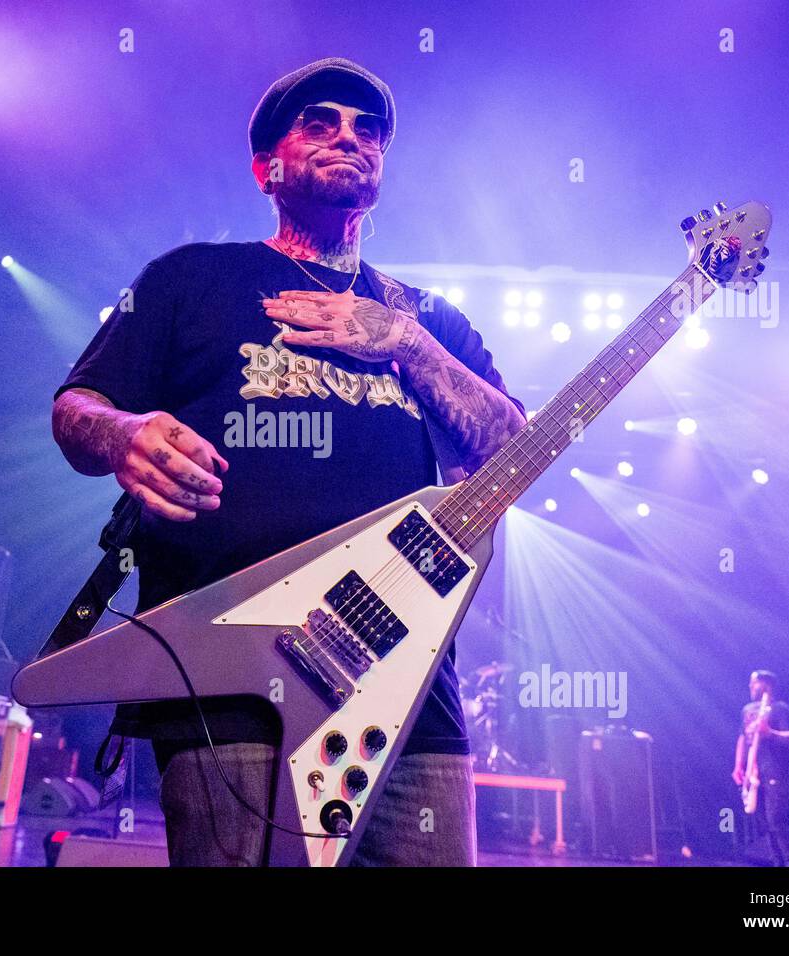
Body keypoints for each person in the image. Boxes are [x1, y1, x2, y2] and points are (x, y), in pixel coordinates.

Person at [51, 57, 526, 866]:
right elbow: (76, 408)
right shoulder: (191, 279)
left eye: (368, 129)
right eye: (320, 122)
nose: (351, 137)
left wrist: (407, 344)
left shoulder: (431, 317)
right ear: (265, 167)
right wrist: (122, 434)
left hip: (409, 681)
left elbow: (511, 456)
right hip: (232, 668)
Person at [733, 669, 789, 866]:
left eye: (754, 682)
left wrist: (769, 733)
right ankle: (778, 863)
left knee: (776, 820)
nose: (750, 686)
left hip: (777, 771)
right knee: (764, 824)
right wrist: (738, 765)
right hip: (755, 773)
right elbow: (742, 738)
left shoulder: (780, 709)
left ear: (766, 685)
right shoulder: (747, 710)